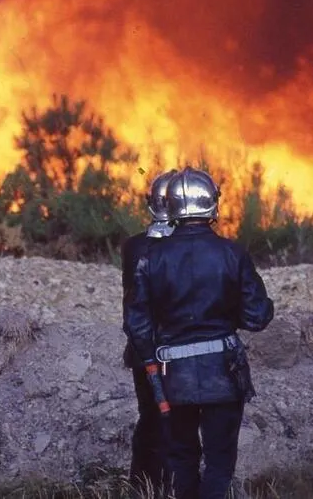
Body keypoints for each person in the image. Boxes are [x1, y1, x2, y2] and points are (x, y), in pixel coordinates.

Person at [124, 166, 274, 499]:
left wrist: (151, 363)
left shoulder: (150, 258)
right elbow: (257, 317)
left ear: (170, 207)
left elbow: (137, 323)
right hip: (223, 373)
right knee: (220, 464)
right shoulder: (232, 253)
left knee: (182, 460)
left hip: (173, 377)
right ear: (212, 205)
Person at [121, 168, 177, 496]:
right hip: (172, 349)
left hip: (144, 350)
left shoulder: (133, 245)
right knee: (173, 422)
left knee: (152, 420)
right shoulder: (185, 249)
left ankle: (143, 487)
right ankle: (165, 486)